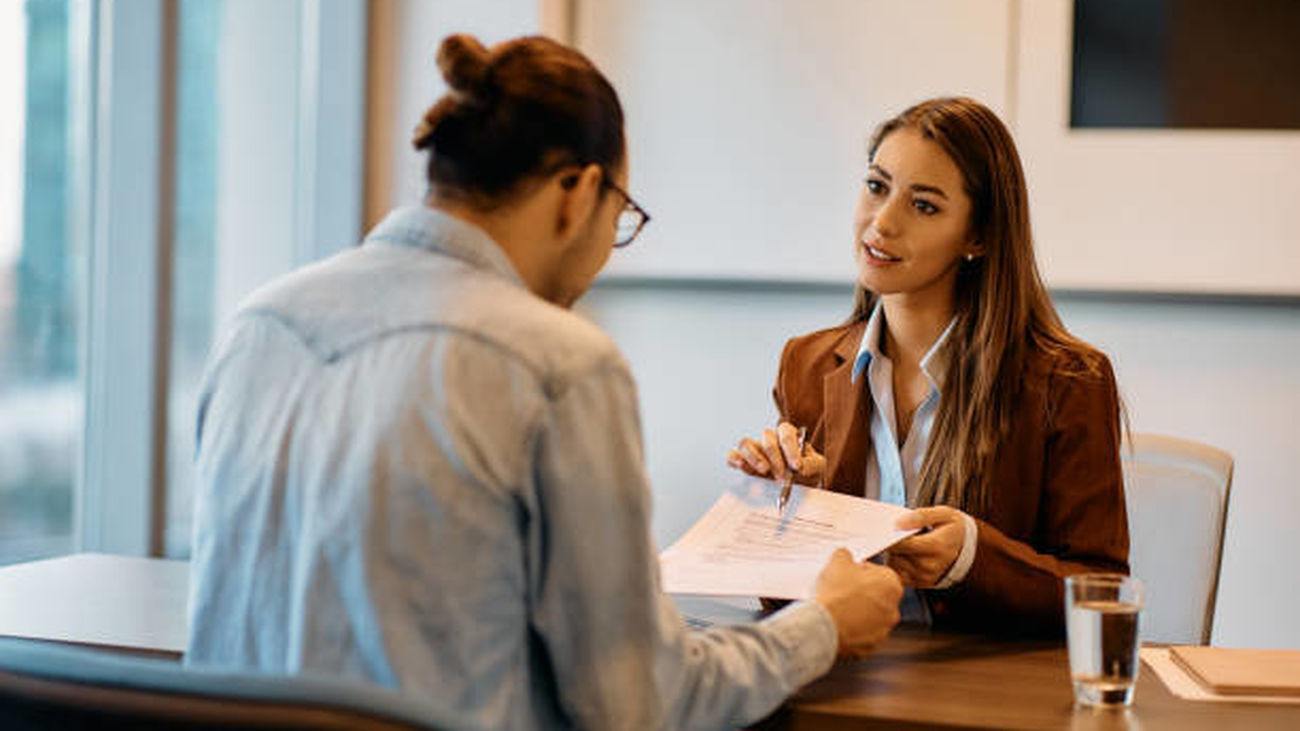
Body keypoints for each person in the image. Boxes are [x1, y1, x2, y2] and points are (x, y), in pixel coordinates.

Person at [185, 34, 903, 730]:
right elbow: (638, 702)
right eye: (620, 217)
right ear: (579, 190)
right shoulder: (559, 364)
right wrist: (824, 625)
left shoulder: (260, 326)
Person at [727, 97, 1129, 636]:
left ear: (979, 237)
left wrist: (972, 559)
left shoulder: (1067, 381)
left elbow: (1101, 593)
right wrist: (787, 510)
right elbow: (783, 603)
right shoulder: (805, 363)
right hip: (843, 679)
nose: (882, 222)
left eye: (924, 206)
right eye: (876, 187)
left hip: (979, 700)